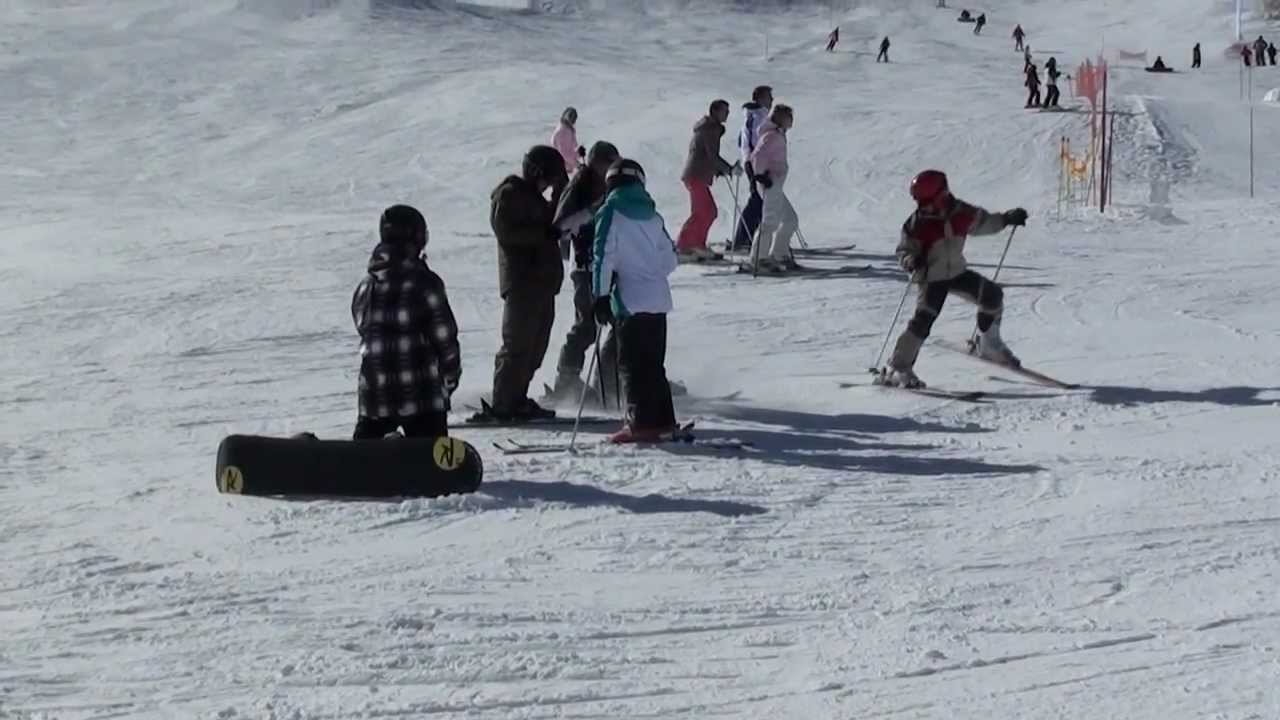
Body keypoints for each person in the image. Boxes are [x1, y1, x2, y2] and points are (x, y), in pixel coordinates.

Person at [879, 170, 1028, 389]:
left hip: (957, 272)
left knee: (993, 296)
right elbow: (903, 251)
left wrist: (1006, 219)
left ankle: (989, 345)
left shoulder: (961, 213)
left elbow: (984, 222)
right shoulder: (916, 224)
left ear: (942, 195)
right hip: (931, 277)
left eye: (926, 202)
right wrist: (911, 261)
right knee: (923, 320)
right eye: (919, 202)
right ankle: (898, 368)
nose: (922, 207)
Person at [352, 205, 461, 439]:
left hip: (374, 398)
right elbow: (445, 341)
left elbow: (364, 330)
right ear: (418, 238)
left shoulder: (365, 286)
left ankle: (358, 463)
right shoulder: (425, 283)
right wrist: (448, 382)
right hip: (421, 398)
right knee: (431, 460)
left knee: (361, 460)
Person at [592, 159, 680, 443]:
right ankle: (664, 419)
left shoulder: (611, 212)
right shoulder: (654, 216)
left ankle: (640, 422)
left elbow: (602, 256)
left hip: (630, 298)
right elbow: (670, 258)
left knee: (630, 363)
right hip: (658, 297)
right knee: (654, 363)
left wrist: (601, 295)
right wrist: (649, 270)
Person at [485, 145, 569, 421]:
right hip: (522, 282)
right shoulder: (509, 194)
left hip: (542, 282)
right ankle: (504, 403)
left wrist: (560, 193)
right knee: (518, 344)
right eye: (549, 178)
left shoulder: (534, 198)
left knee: (536, 347)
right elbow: (507, 232)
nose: (548, 185)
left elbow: (552, 221)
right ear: (535, 172)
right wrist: (545, 233)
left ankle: (517, 398)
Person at [546, 141, 621, 404]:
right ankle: (566, 378)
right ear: (596, 162)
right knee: (587, 323)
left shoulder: (609, 185)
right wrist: (592, 212)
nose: (611, 169)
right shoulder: (580, 185)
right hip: (584, 266)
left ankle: (610, 376)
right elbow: (561, 225)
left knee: (620, 320)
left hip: (608, 265)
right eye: (608, 163)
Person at [677, 99, 738, 261]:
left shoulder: (709, 129)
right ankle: (684, 245)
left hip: (697, 174)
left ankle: (696, 244)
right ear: (715, 111)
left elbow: (706, 155)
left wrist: (719, 170)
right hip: (696, 174)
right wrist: (728, 169)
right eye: (725, 111)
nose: (727, 114)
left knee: (708, 211)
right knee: (705, 211)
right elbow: (712, 156)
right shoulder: (709, 129)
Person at [748, 104, 799, 273]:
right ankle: (758, 258)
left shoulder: (777, 134)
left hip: (775, 183)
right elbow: (757, 156)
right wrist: (761, 176)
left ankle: (779, 253)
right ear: (780, 118)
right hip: (770, 183)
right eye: (788, 116)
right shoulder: (771, 136)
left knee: (790, 219)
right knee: (770, 222)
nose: (791, 120)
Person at [733, 86, 774, 252]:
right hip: (756, 163)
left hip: (753, 161)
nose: (771, 101)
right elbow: (758, 142)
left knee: (759, 201)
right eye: (769, 97)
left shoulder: (754, 116)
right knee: (758, 201)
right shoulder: (758, 116)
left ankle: (748, 238)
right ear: (761, 99)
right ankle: (743, 239)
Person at [550, 107, 583, 176]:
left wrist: (579, 153)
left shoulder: (567, 130)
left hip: (565, 168)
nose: (571, 118)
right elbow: (564, 153)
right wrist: (578, 165)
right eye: (570, 115)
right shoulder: (563, 131)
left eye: (574, 116)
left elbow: (570, 150)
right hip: (561, 169)